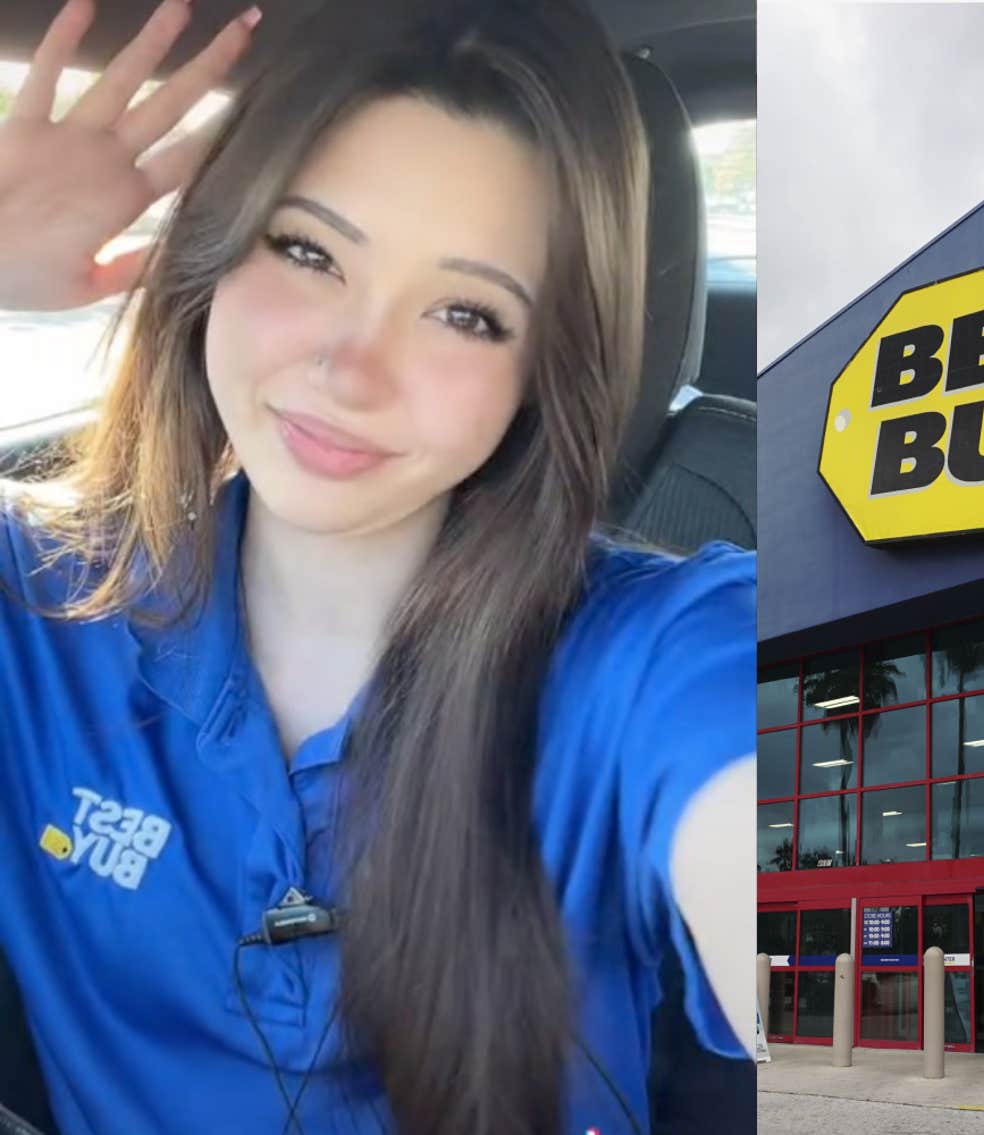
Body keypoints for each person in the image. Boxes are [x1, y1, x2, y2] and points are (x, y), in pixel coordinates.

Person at [0, 1, 757, 1133]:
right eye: (308, 251)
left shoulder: (655, 660)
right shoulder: (39, 598)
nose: (351, 371)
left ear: (542, 371)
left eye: (466, 313)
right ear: (215, 246)